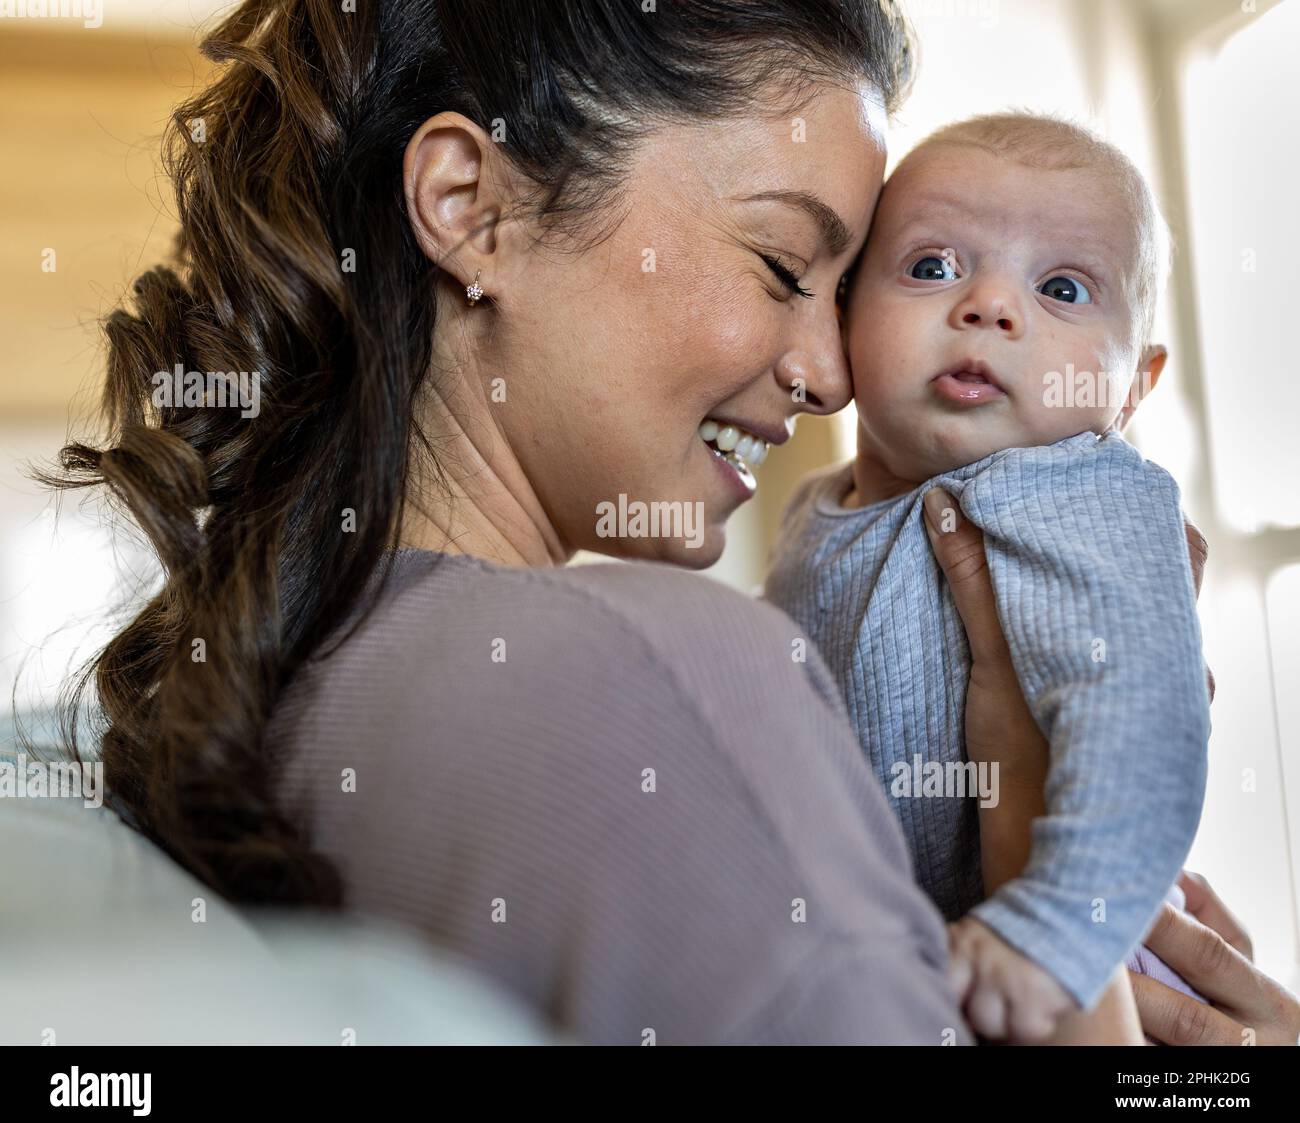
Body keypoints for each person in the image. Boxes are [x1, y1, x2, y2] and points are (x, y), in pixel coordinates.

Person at [42, 0, 1291, 1044]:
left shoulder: (282, 677)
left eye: (845, 289)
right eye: (780, 267)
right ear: (471, 206)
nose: (832, 371)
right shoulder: (666, 684)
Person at [765, 112, 1209, 1038]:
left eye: (1061, 287)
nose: (990, 307)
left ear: (1132, 388)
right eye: (933, 267)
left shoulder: (1085, 488)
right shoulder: (811, 513)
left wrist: (1054, 931)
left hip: (1069, 950)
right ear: (844, 314)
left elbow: (1148, 725)